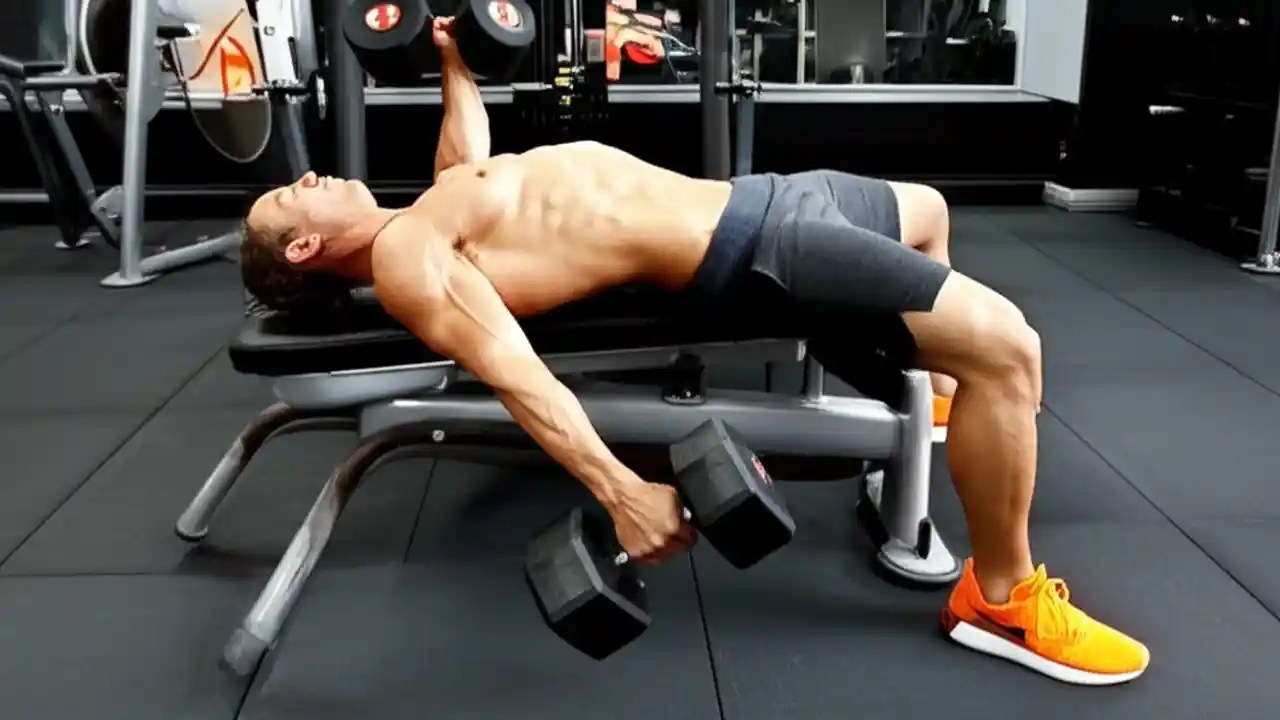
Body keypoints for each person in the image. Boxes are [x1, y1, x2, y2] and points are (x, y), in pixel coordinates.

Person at [239, 17, 1148, 685]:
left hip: (763, 198)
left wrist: (452, 62)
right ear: (307, 248)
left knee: (929, 211)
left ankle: (942, 412)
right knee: (1011, 347)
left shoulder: (427, 213)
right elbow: (513, 369)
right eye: (290, 196)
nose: (305, 175)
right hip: (758, 250)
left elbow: (461, 156)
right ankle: (1001, 598)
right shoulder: (407, 258)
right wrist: (620, 488)